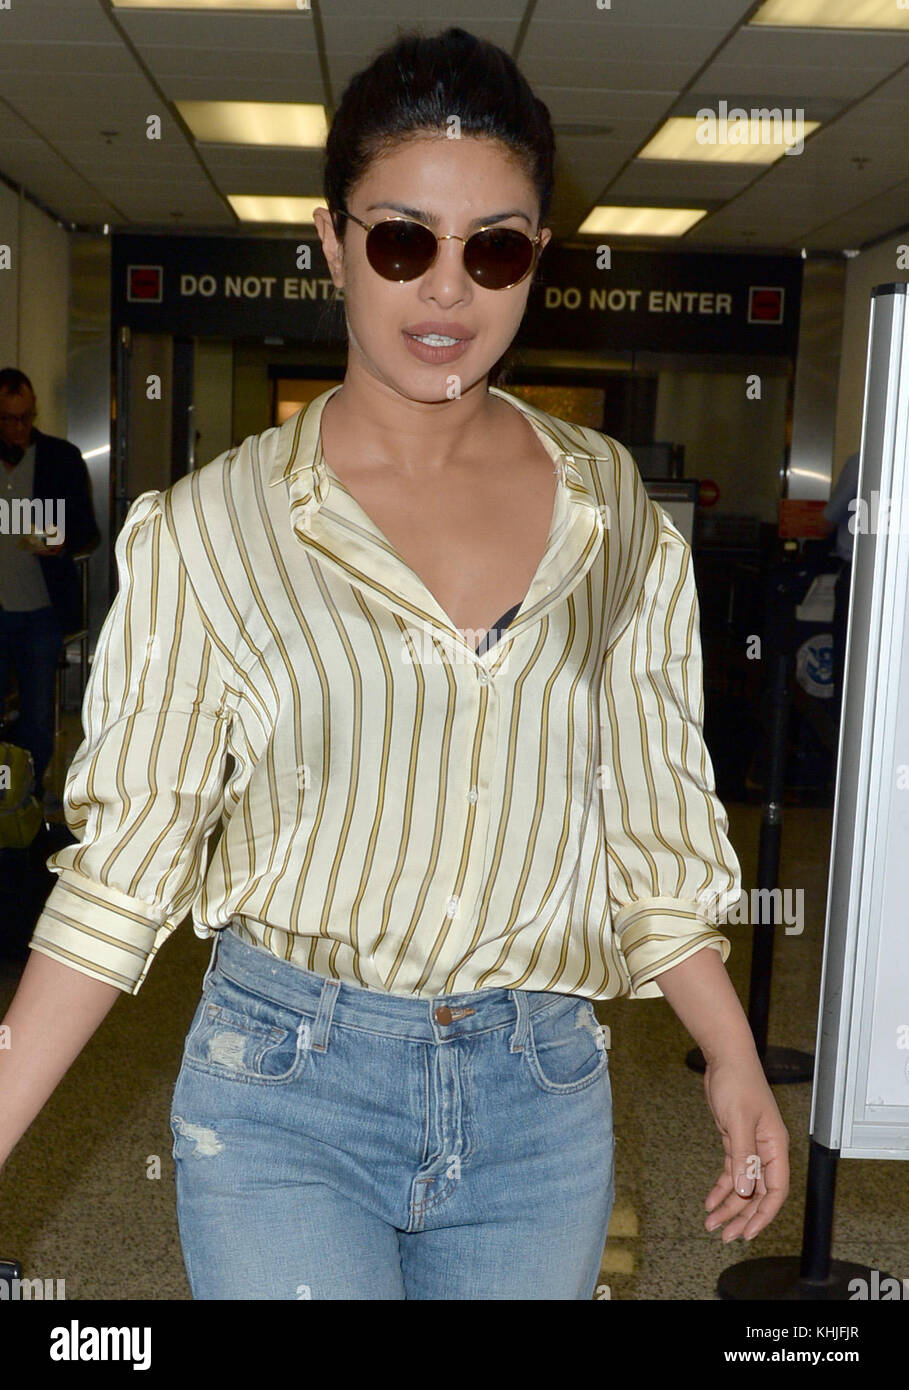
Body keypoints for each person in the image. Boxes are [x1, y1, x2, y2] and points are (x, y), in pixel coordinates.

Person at [0, 28, 789, 1300]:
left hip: (541, 1095)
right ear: (331, 241)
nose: (448, 291)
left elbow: (647, 824)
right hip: (284, 1092)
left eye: (496, 247)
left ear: (537, 258)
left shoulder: (613, 512)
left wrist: (732, 1056)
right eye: (404, 239)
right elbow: (124, 874)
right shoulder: (211, 530)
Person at [0, 368, 100, 811]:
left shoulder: (60, 458)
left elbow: (87, 531)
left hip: (40, 610)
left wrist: (59, 542)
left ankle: (30, 793)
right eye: (9, 418)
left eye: (25, 417)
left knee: (39, 714)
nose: (19, 428)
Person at [822, 449, 860, 719]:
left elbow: (829, 518)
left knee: (848, 659)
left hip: (855, 576)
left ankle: (842, 729)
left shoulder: (864, 460)